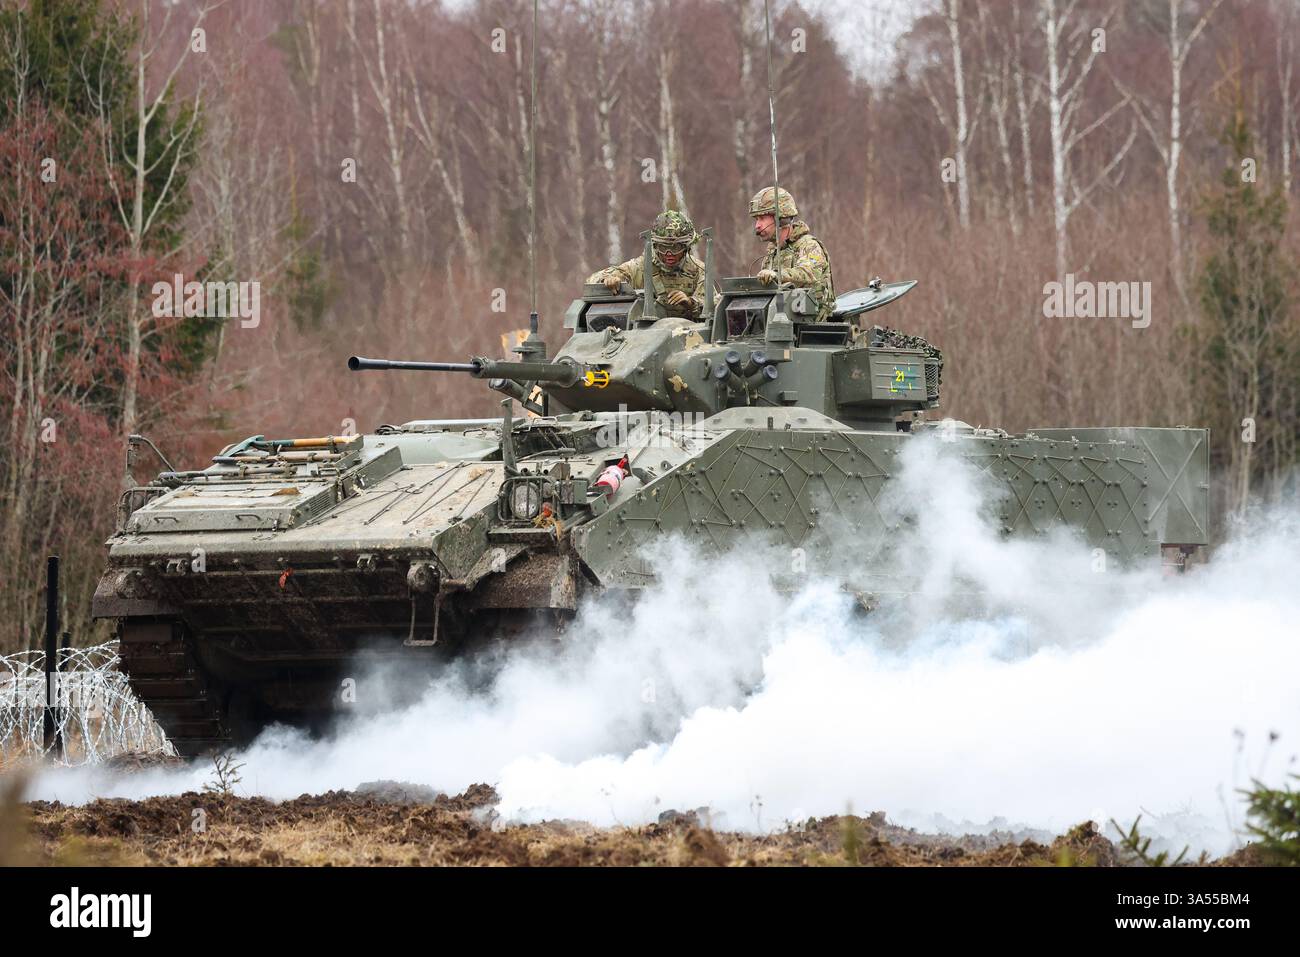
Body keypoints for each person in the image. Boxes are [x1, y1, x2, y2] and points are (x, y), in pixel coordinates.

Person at [587, 210, 711, 319]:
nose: (669, 253)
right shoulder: (640, 267)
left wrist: (691, 303)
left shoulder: (697, 270)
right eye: (663, 247)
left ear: (686, 247)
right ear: (655, 246)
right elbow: (592, 281)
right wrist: (609, 279)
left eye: (676, 247)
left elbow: (714, 306)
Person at [749, 186, 835, 321]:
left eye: (762, 218)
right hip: (781, 325)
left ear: (781, 218)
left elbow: (807, 273)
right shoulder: (773, 253)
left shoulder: (808, 245)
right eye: (756, 220)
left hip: (812, 330)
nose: (757, 226)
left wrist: (777, 275)